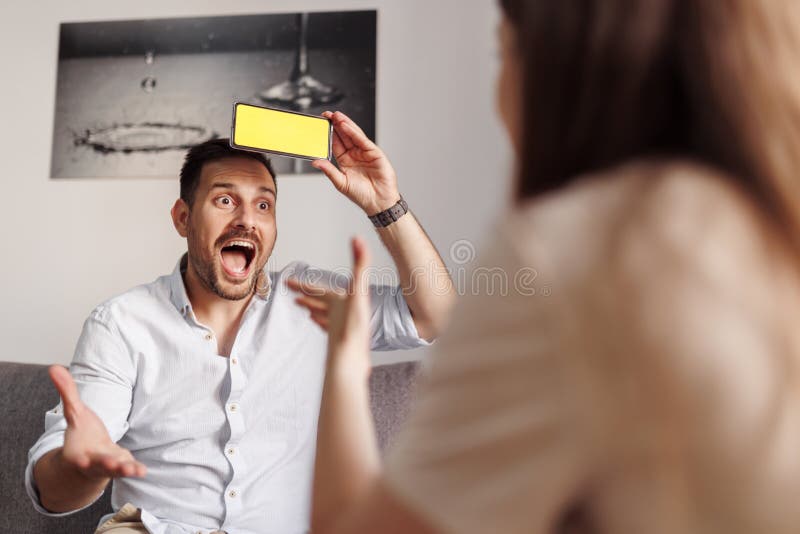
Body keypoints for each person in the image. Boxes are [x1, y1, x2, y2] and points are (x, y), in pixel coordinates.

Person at [291, 0, 800, 533]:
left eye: (502, 53)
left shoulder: (575, 256)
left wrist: (344, 361)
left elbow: (434, 317)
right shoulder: (759, 223)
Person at [26, 111, 455, 534]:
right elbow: (54, 493)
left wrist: (385, 204)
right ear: (183, 218)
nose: (247, 220)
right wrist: (82, 469)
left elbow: (436, 317)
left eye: (263, 205)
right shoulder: (121, 324)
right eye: (225, 200)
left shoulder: (312, 298)